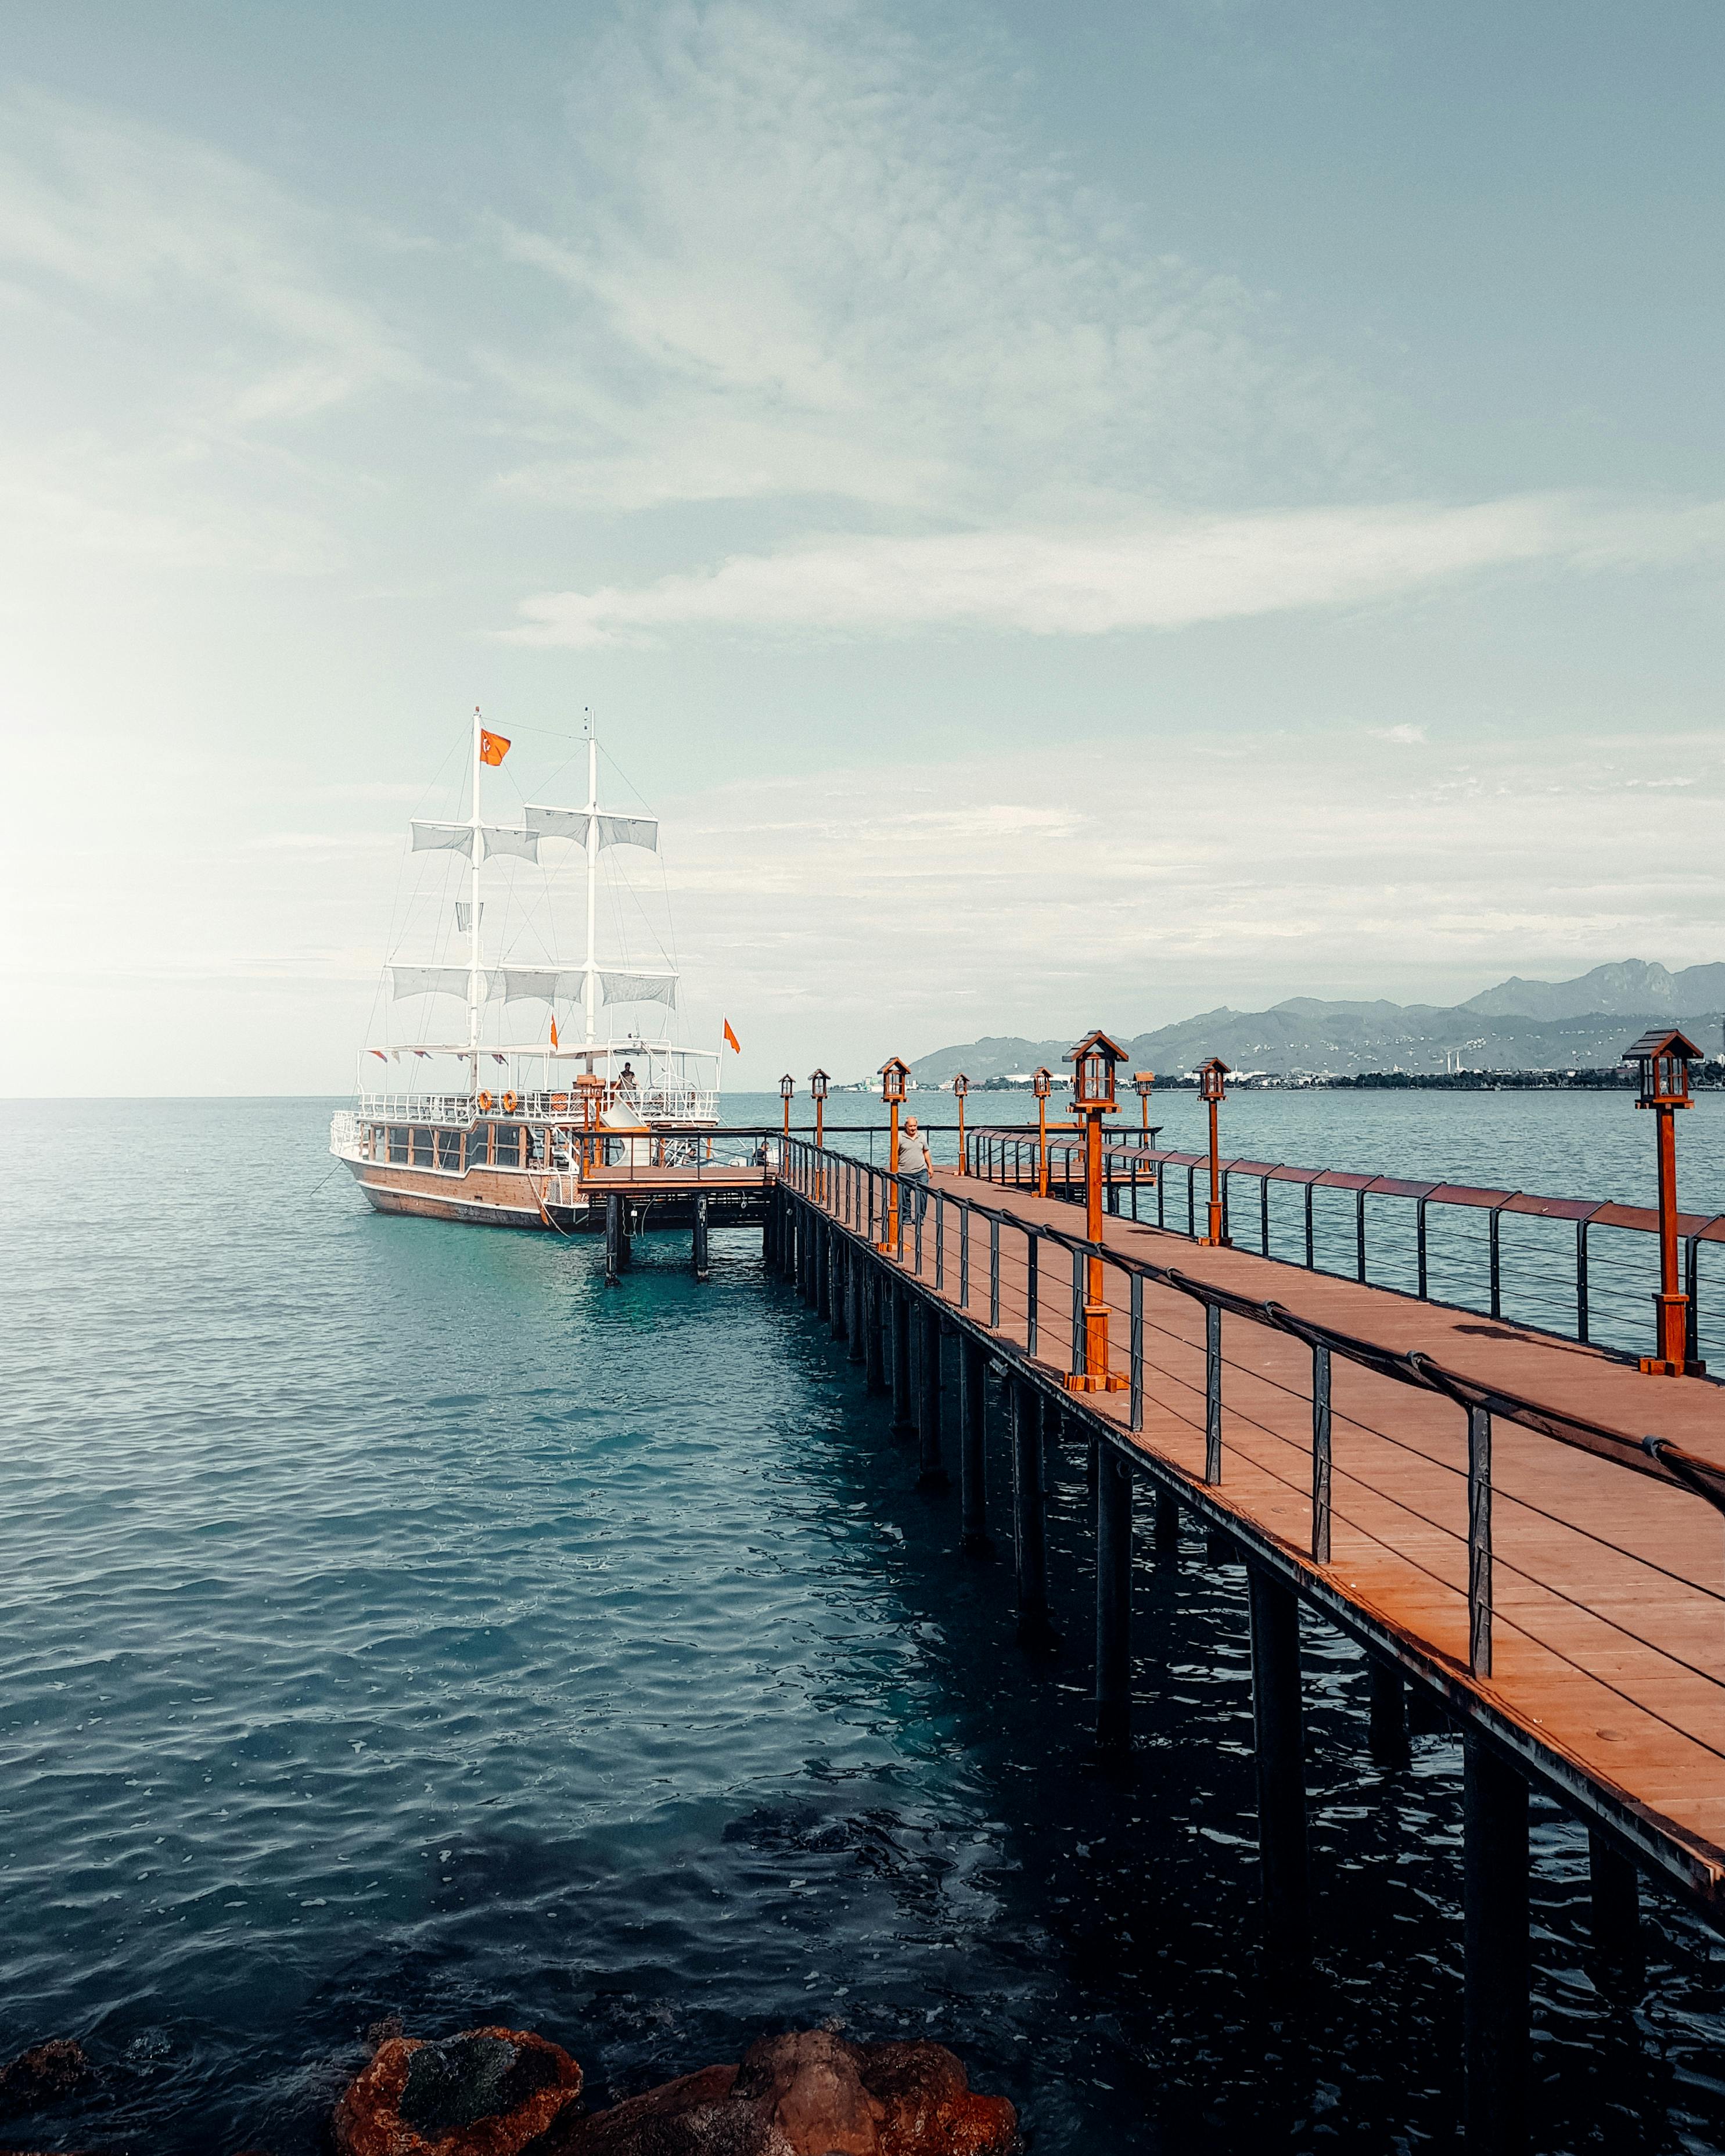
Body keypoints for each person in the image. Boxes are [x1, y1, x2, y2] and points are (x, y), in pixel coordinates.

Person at [899, 1113, 933, 1224]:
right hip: (904, 1171)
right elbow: (894, 1153)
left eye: (915, 1126)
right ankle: (906, 1217)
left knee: (923, 1195)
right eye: (911, 1126)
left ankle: (920, 1218)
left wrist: (930, 1167)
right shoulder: (900, 1137)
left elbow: (926, 1151)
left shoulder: (922, 1136)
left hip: (921, 1171)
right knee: (904, 1196)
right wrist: (894, 1169)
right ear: (906, 1126)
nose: (913, 1128)